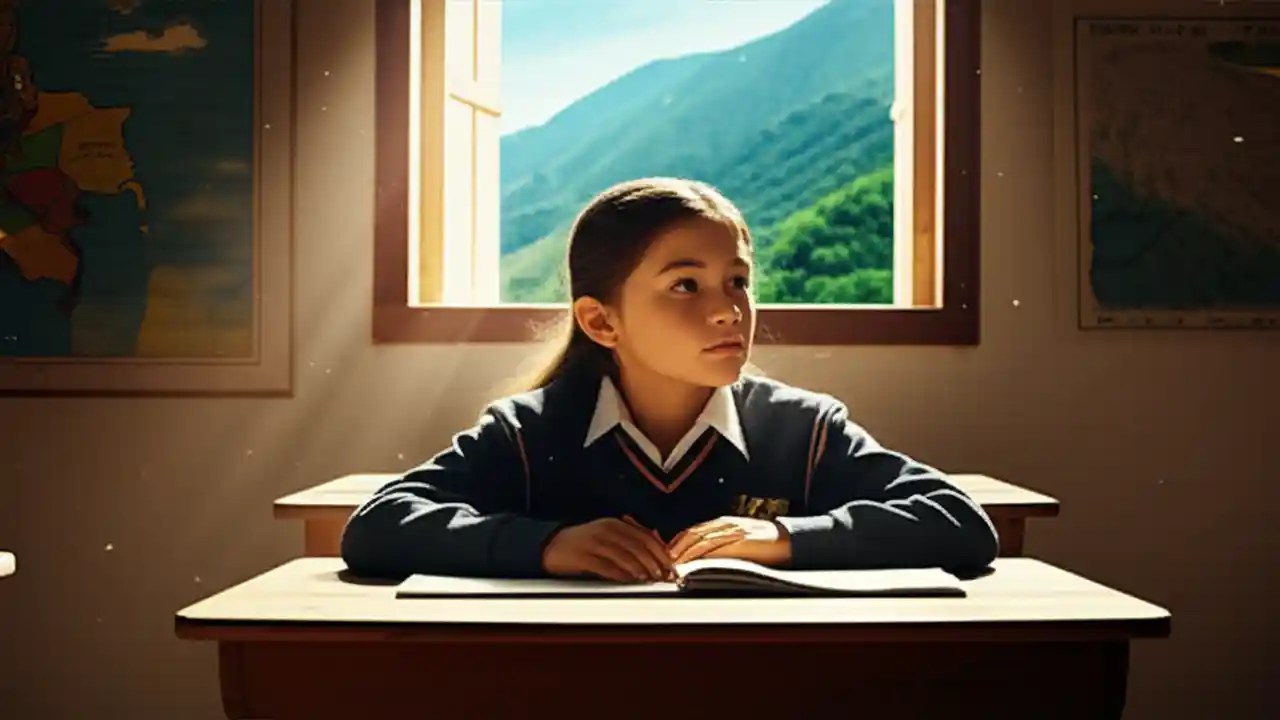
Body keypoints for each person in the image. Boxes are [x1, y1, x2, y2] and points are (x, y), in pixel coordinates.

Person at [341, 177, 998, 581]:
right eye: (686, 284)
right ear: (601, 321)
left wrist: (783, 538)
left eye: (738, 281)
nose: (728, 308)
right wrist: (547, 547)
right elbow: (376, 527)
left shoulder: (803, 429)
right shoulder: (528, 431)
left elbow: (959, 522)